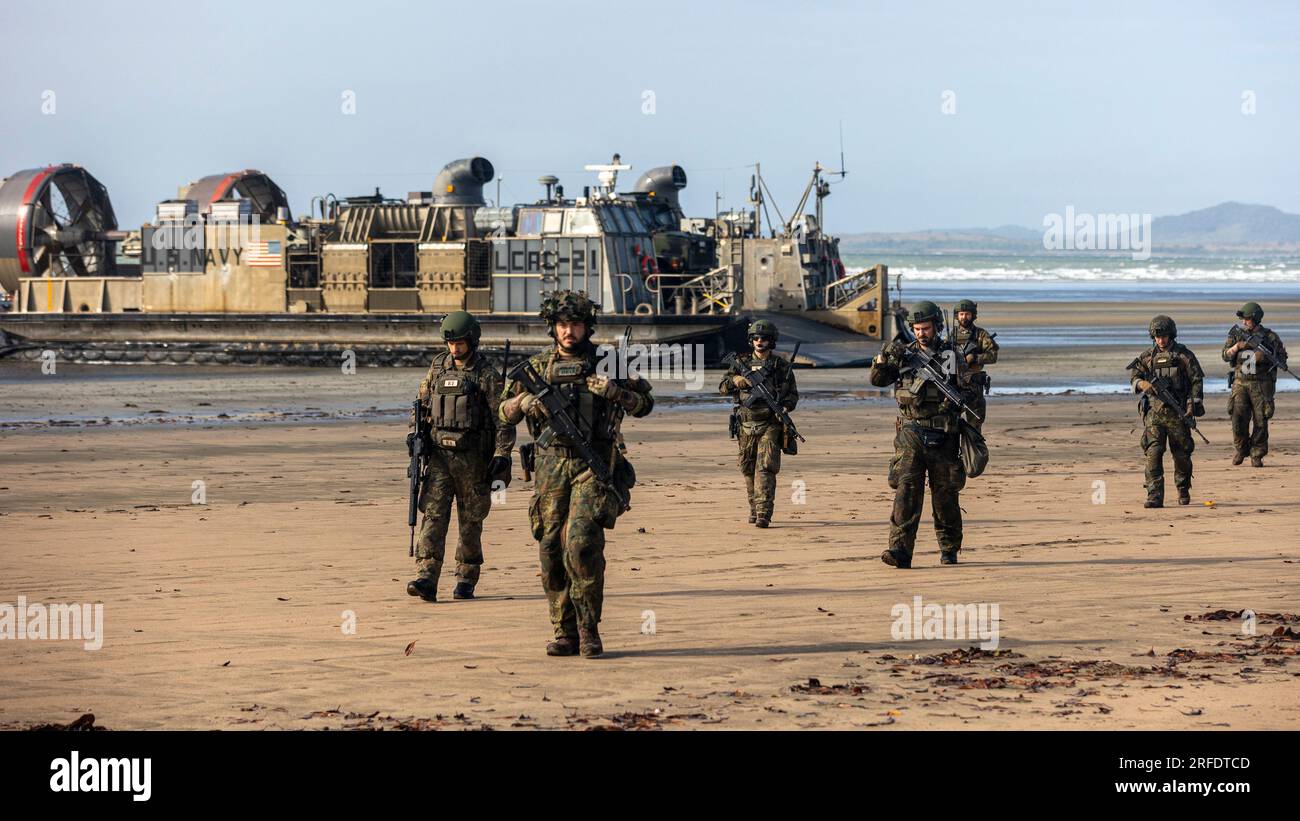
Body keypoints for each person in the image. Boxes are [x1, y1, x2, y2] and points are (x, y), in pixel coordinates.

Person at [498, 290, 653, 658]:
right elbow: (502, 412)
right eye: (563, 325)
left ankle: (588, 630)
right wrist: (521, 403)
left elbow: (645, 404)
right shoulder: (535, 368)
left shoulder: (609, 364)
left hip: (592, 465)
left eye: (576, 324)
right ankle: (563, 630)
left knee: (582, 544)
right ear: (553, 328)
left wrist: (616, 393)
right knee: (551, 549)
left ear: (588, 326)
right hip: (550, 467)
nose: (569, 331)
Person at [406, 311, 514, 602]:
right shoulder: (438, 367)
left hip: (474, 461)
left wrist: (503, 454)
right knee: (433, 516)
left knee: (470, 522)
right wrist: (414, 436)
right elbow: (422, 405)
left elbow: (502, 417)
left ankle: (466, 577)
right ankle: (426, 576)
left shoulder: (486, 375)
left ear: (472, 341)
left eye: (460, 342)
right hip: (440, 458)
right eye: (451, 342)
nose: (455, 348)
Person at [869, 301, 979, 567]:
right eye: (917, 329)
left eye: (926, 328)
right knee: (906, 491)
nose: (921, 333)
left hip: (944, 433)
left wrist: (957, 401)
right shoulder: (903, 354)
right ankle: (899, 551)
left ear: (937, 327)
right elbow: (877, 380)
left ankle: (949, 548)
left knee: (945, 496)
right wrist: (883, 357)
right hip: (911, 432)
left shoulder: (952, 355)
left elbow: (970, 390)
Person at [719, 319, 799, 527]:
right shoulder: (741, 363)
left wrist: (786, 407)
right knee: (747, 468)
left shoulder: (780, 366)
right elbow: (722, 387)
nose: (760, 341)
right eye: (756, 338)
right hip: (745, 423)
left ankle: (764, 512)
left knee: (766, 467)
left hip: (770, 423)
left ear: (771, 341)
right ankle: (754, 509)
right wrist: (735, 381)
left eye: (764, 338)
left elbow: (792, 395)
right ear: (751, 340)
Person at [1129, 315, 1204, 507]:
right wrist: (1142, 383)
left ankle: (1183, 488)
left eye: (1164, 336)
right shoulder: (1147, 357)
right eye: (1157, 336)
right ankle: (1154, 495)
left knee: (1181, 455)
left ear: (1172, 335)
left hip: (1178, 414)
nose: (1161, 340)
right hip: (1154, 414)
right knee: (1153, 452)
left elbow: (1196, 380)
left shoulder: (1183, 355)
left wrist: (1191, 405)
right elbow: (1134, 378)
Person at [1223, 301, 1288, 467]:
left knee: (1261, 421)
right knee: (1238, 419)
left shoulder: (1270, 337)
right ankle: (1241, 449)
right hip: (1240, 383)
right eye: (1243, 319)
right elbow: (1225, 355)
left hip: (1261, 384)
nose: (1244, 322)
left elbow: (1281, 358)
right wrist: (1238, 346)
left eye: (1247, 319)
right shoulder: (1237, 335)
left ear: (1256, 319)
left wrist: (1263, 357)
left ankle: (1257, 453)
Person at [951, 299, 999, 430]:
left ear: (973, 315)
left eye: (967, 314)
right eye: (961, 314)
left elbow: (993, 356)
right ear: (957, 316)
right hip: (955, 383)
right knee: (950, 422)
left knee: (975, 425)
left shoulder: (980, 334)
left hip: (974, 385)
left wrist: (975, 357)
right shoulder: (952, 336)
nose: (964, 317)